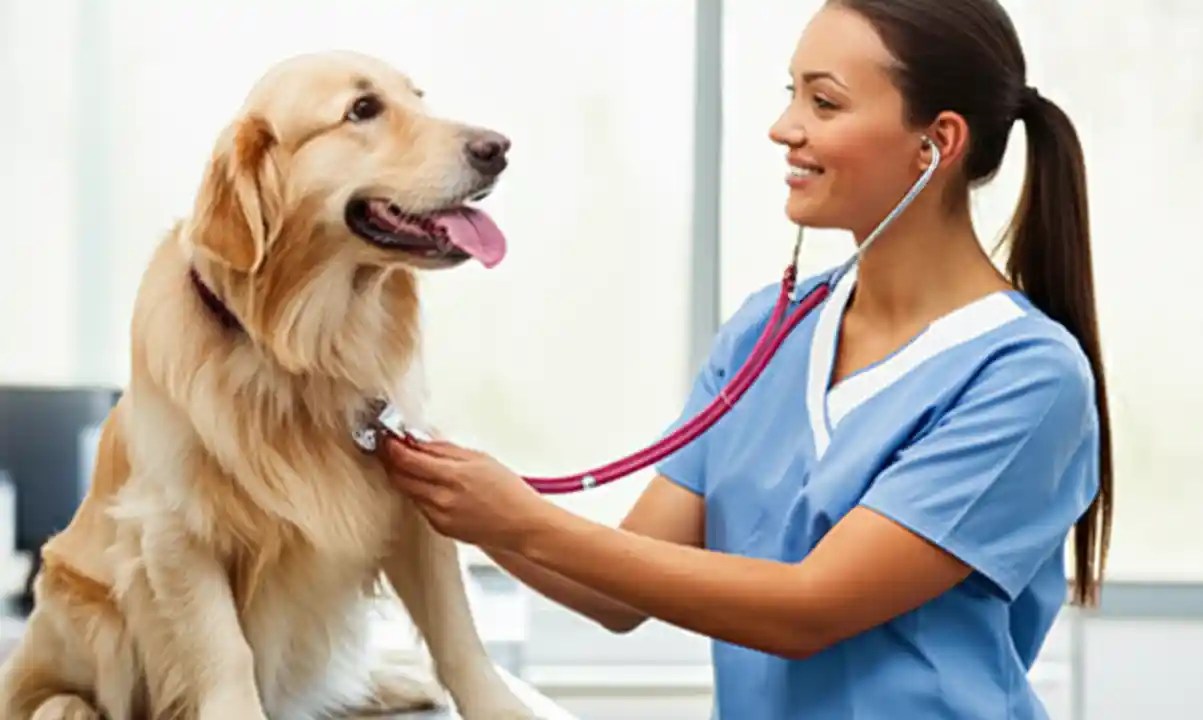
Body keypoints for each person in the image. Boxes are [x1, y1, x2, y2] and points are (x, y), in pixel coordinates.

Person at [378, 1, 1112, 717]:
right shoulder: (770, 330)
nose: (783, 128)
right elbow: (613, 593)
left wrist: (518, 519)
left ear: (937, 142)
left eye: (824, 103)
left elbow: (808, 610)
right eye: (792, 94)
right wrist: (448, 490)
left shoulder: (1027, 379)